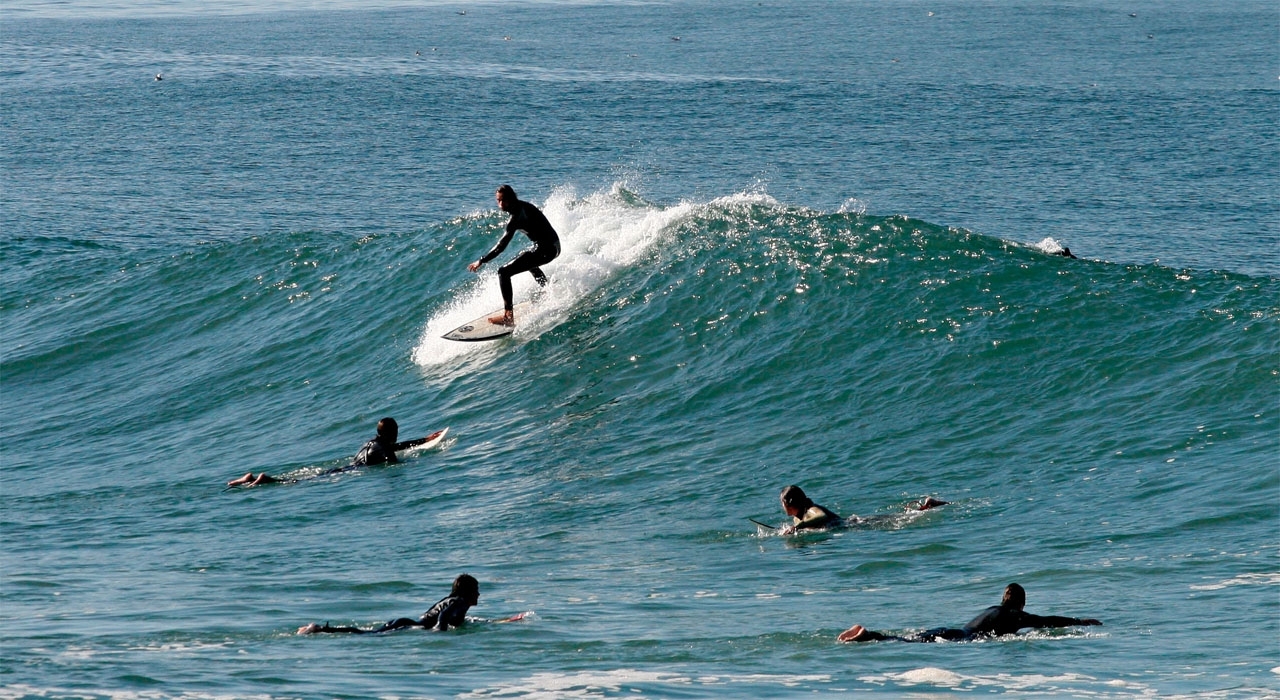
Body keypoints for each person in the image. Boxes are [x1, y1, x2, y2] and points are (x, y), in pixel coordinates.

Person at [837, 582, 1102, 643]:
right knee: (909, 643)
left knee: (908, 640)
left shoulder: (991, 609)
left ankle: (868, 634)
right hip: (959, 638)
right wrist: (1079, 621)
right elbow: (1046, 621)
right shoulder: (1014, 616)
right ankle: (866, 635)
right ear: (1021, 604)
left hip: (951, 630)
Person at [228, 417, 436, 487]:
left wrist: (424, 440)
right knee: (300, 482)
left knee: (303, 479)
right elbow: (393, 461)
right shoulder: (383, 448)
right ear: (391, 432)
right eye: (396, 431)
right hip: (346, 472)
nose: (398, 435)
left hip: (344, 468)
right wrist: (415, 464)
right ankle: (265, 479)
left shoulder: (372, 442)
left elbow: (397, 447)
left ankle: (250, 478)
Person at [467, 185, 561, 327]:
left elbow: (501, 246)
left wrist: (481, 260)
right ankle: (548, 290)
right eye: (498, 200)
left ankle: (508, 317)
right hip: (553, 245)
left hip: (548, 249)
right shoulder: (522, 206)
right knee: (527, 260)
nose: (500, 204)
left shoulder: (517, 216)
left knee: (503, 272)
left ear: (511, 199)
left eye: (503, 200)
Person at [298, 574, 480, 635]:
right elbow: (443, 616)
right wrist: (439, 634)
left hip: (406, 622)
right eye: (476, 590)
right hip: (408, 626)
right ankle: (318, 629)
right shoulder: (460, 601)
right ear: (468, 591)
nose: (478, 594)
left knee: (368, 633)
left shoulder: (452, 600)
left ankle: (320, 629)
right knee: (367, 635)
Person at [777, 485, 947, 534]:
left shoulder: (811, 510)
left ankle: (928, 506)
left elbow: (821, 516)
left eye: (782, 503)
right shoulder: (798, 517)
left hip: (854, 523)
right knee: (899, 518)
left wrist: (799, 527)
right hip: (849, 524)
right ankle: (925, 507)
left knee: (898, 519)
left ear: (788, 503)